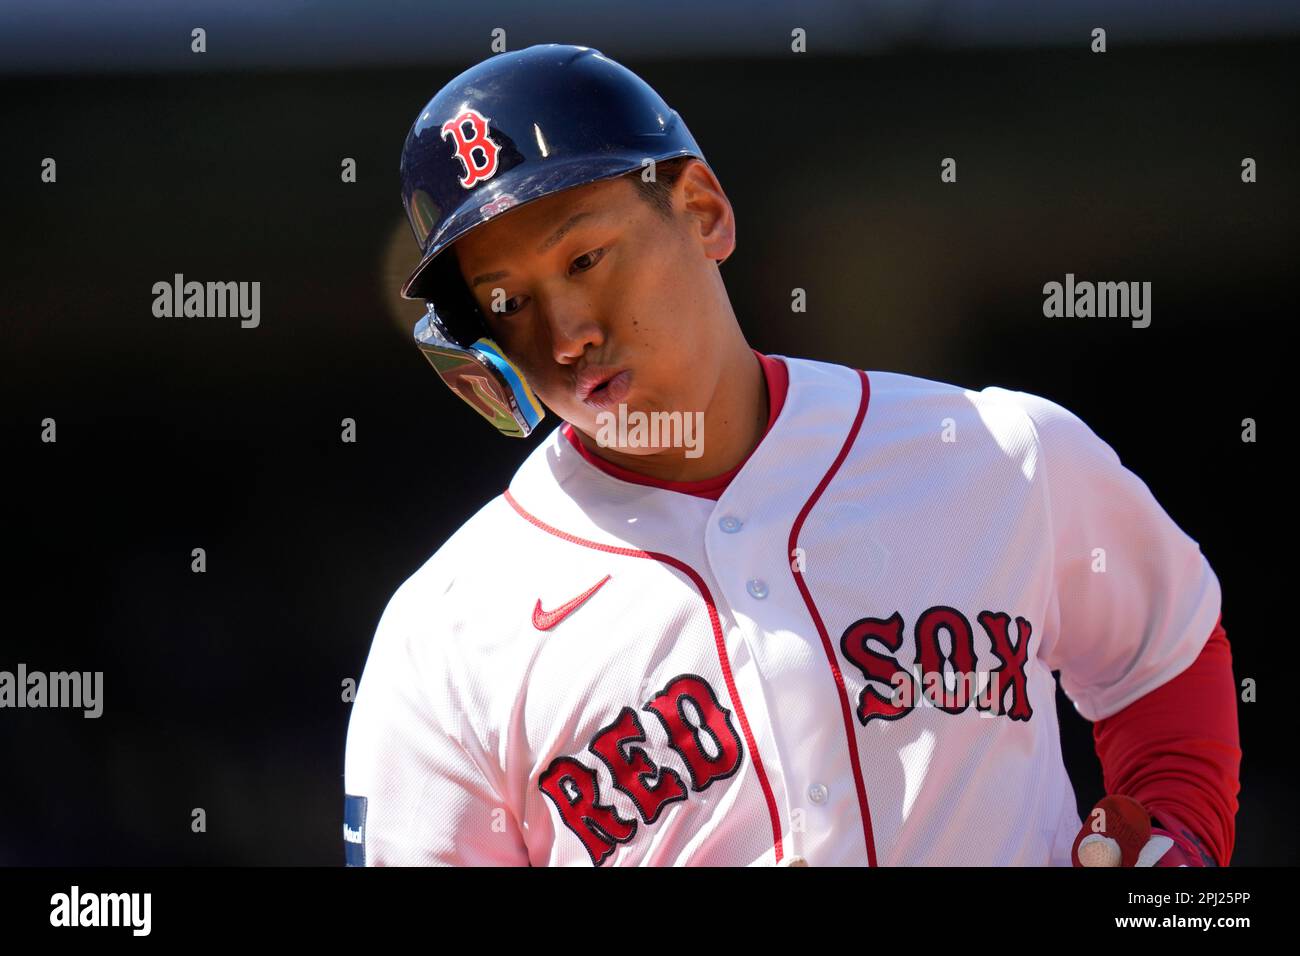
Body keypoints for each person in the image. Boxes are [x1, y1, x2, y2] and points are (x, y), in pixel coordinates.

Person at [343, 44, 1240, 867]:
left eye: (585, 259)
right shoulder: (444, 637)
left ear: (703, 211)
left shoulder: (998, 454)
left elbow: (1164, 653)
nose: (567, 335)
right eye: (508, 303)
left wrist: (1179, 853)